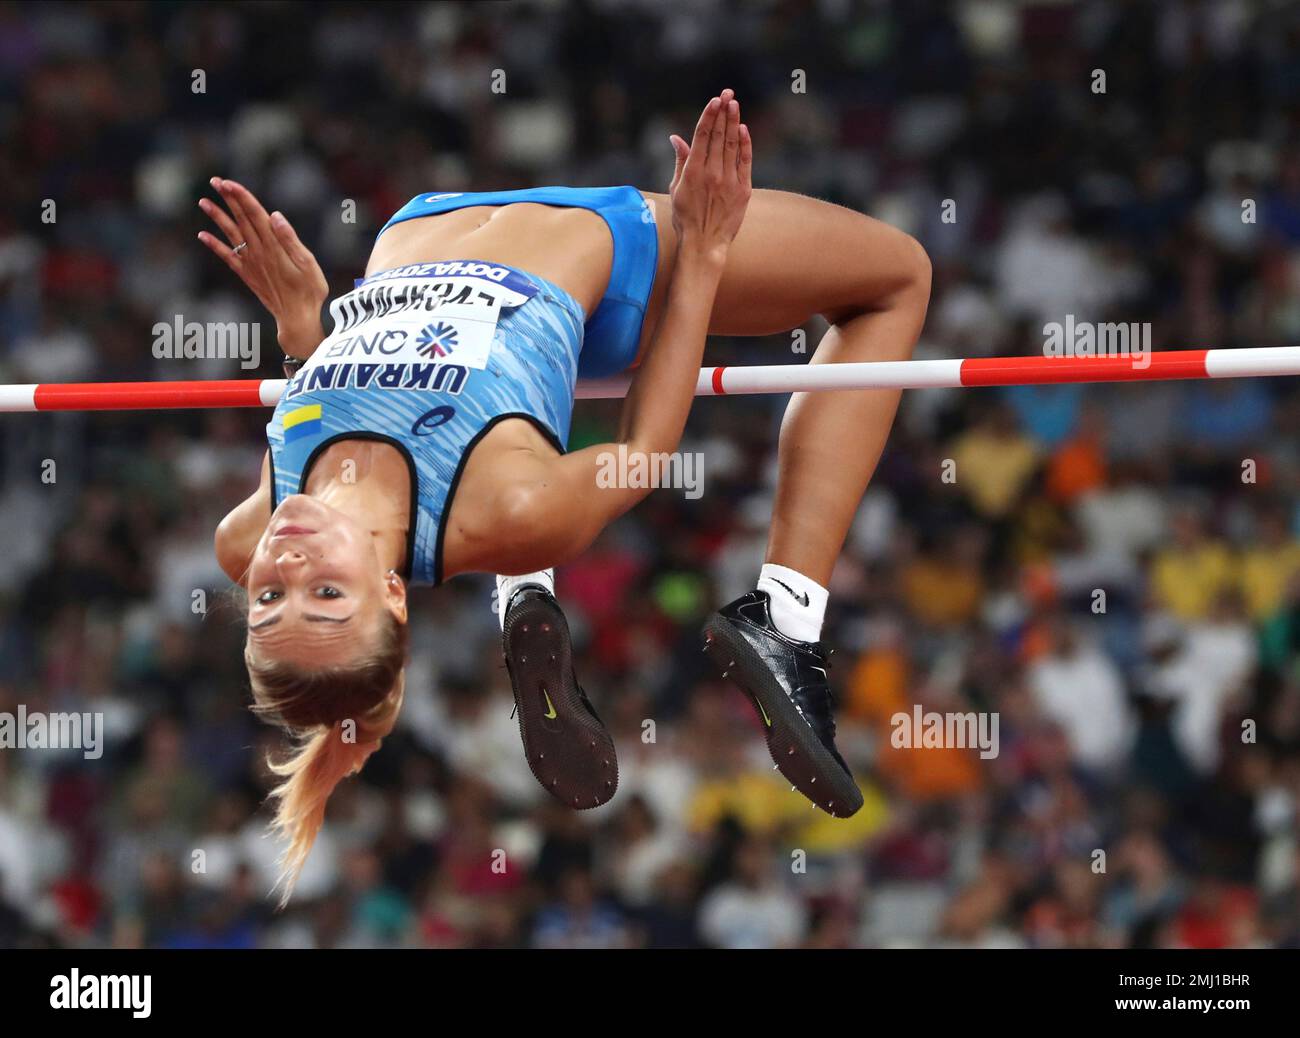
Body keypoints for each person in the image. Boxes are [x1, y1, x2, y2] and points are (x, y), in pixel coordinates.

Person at [203, 90, 931, 901]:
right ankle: (786, 620)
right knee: (898, 277)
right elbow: (642, 454)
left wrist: (307, 333)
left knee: (522, 433)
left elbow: (308, 410)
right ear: (390, 594)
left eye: (269, 595)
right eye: (326, 593)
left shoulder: (253, 528)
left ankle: (523, 588)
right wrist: (702, 252)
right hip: (611, 254)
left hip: (419, 231)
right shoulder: (502, 506)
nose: (289, 561)